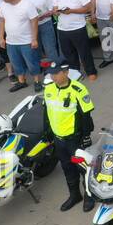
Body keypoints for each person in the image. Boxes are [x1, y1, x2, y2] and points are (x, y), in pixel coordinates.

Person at [42, 63, 96, 212]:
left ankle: (89, 196)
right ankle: (74, 195)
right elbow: (46, 112)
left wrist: (86, 136)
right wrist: (47, 132)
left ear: (65, 73)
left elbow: (86, 115)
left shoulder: (78, 90)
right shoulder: (49, 88)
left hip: (75, 140)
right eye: (51, 74)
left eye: (56, 73)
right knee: (67, 168)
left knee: (83, 168)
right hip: (58, 139)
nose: (52, 77)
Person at [52, 0, 97, 79]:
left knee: (84, 51)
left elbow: (88, 7)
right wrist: (56, 11)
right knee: (68, 53)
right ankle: (74, 73)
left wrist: (72, 11)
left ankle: (91, 72)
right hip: (62, 28)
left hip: (78, 28)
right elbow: (54, 7)